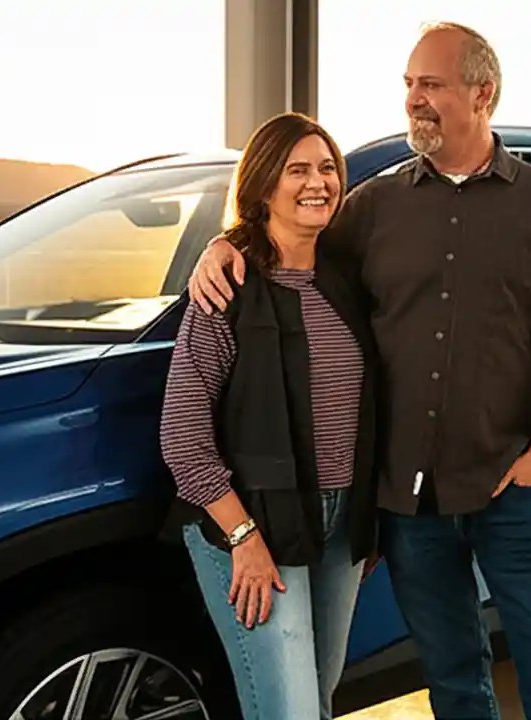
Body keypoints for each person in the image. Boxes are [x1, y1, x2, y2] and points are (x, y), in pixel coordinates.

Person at [186, 21, 531, 720]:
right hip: (409, 506)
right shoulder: (376, 206)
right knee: (453, 680)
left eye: (432, 85)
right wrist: (223, 243)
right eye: (409, 85)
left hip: (512, 490)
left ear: (483, 93)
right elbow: (291, 236)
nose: (414, 99)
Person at [159, 111, 380, 720]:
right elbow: (182, 434)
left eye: (328, 167)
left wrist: (365, 521)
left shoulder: (346, 278)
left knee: (318, 700)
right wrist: (242, 537)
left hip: (339, 528)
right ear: (262, 186)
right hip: (251, 526)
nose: (319, 182)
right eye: (297, 169)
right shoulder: (227, 288)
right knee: (289, 712)